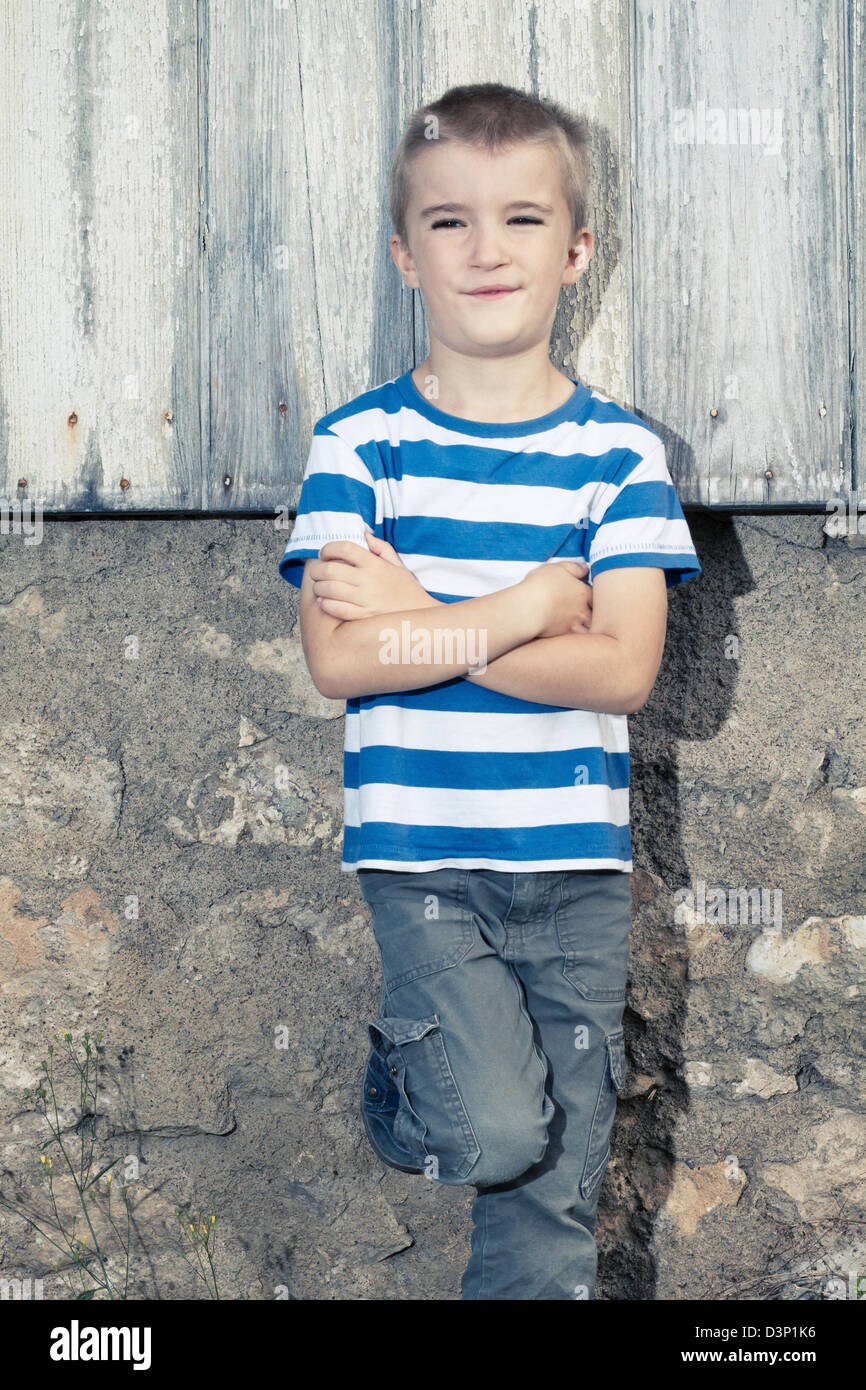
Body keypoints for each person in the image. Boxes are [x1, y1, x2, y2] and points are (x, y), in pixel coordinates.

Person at [277, 82, 702, 1299]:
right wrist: (518, 611)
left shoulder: (616, 456)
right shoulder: (360, 447)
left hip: (574, 870)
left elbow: (618, 669)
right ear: (404, 253)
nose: (485, 249)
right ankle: (405, 1086)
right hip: (424, 860)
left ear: (573, 252)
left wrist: (417, 614)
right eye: (448, 221)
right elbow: (339, 659)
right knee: (494, 1133)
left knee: (551, 1196)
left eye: (520, 219)